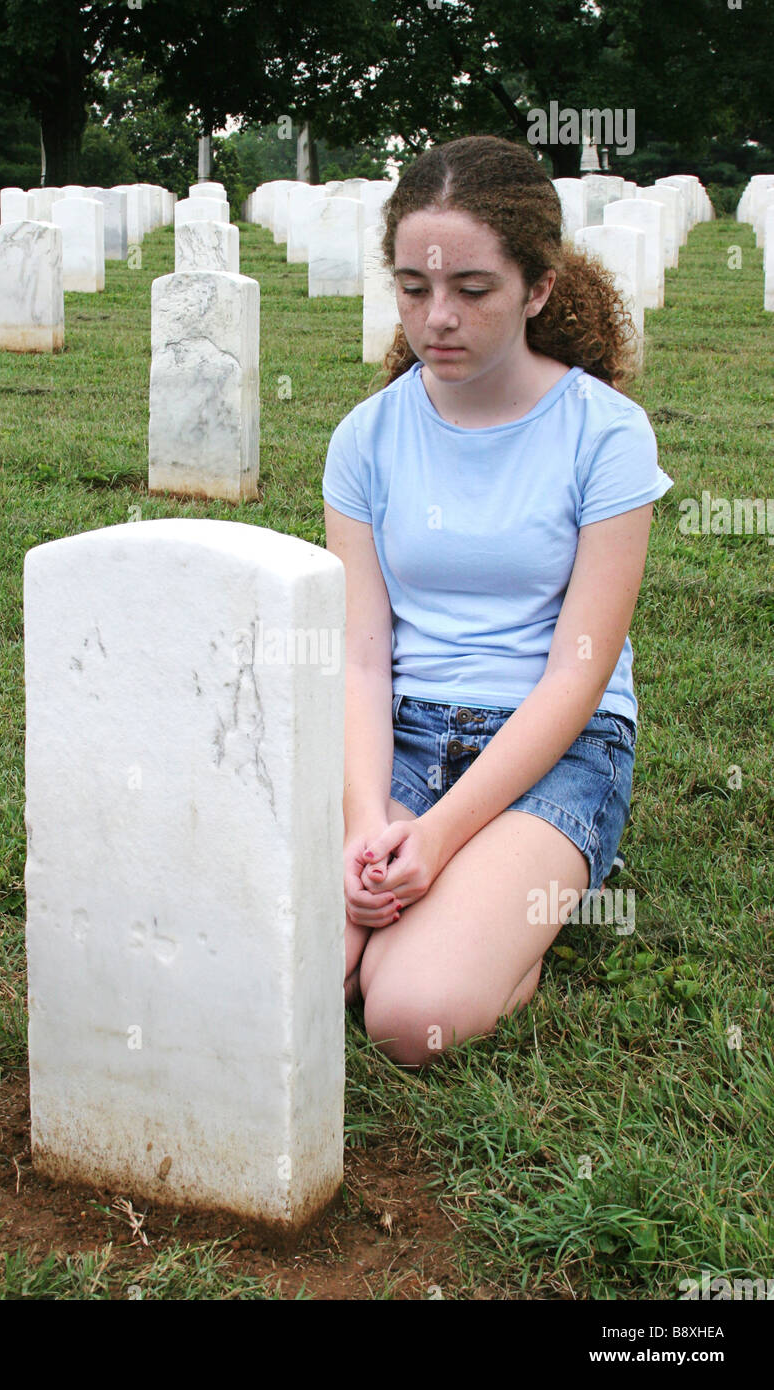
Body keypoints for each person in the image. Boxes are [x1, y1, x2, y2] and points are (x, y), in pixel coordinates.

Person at [322, 135, 674, 1069]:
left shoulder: (606, 436)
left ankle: (512, 912)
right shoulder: (364, 437)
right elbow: (360, 654)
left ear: (538, 288)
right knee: (302, 962)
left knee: (405, 1016)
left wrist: (435, 837)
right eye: (411, 287)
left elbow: (577, 671)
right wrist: (367, 821)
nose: (435, 318)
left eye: (471, 290)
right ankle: (452, 911)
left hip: (555, 745)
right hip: (395, 736)